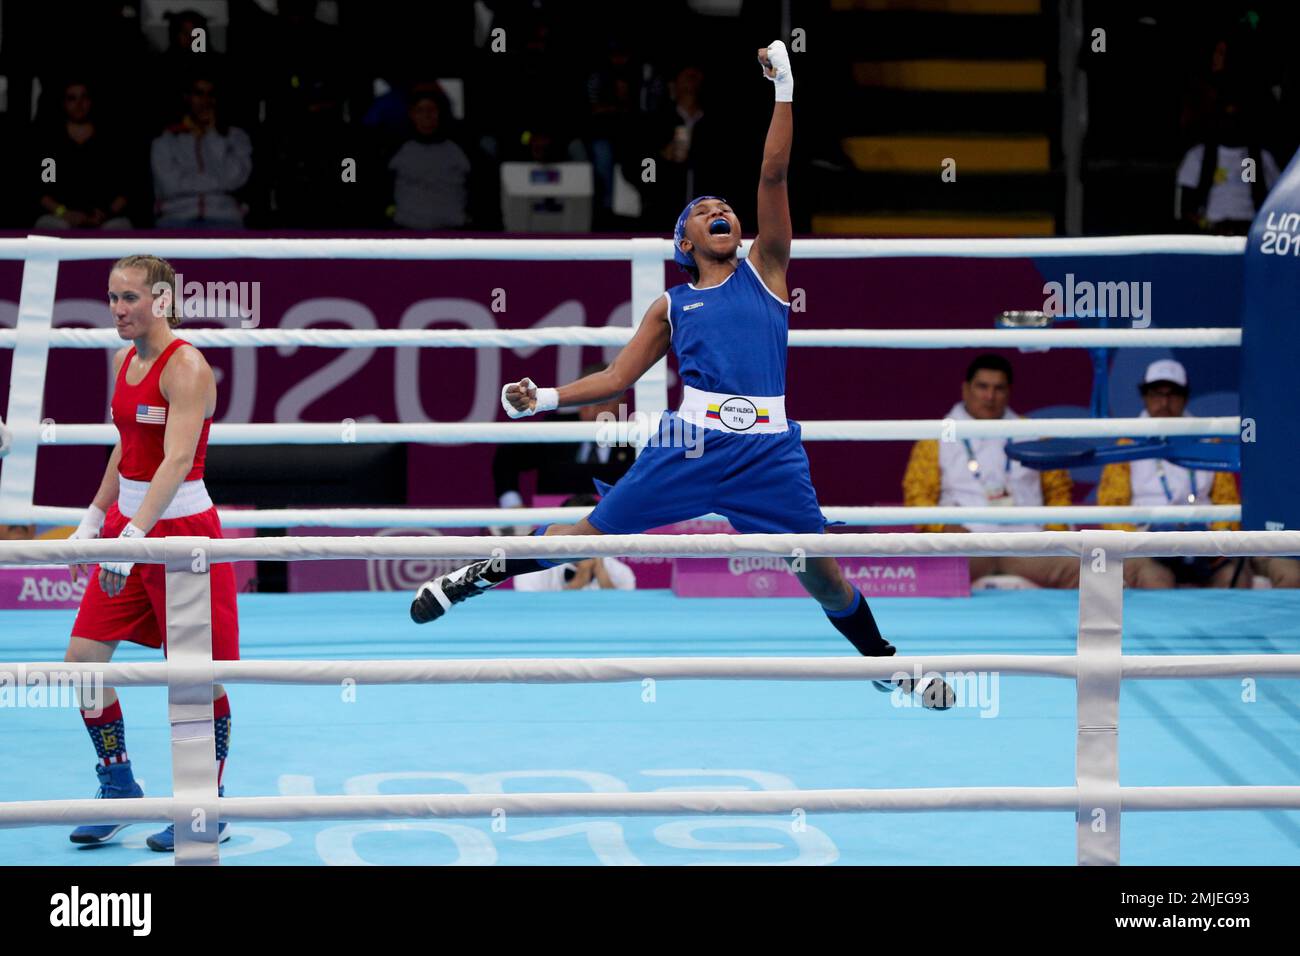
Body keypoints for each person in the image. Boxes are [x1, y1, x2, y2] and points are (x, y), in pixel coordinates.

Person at [410, 42, 954, 710]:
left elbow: (776, 176)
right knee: (585, 537)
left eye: (722, 205)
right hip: (689, 444)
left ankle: (885, 663)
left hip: (769, 452)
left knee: (825, 575)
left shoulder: (768, 271)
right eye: (701, 210)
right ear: (684, 243)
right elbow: (616, 377)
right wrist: (543, 397)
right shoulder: (672, 302)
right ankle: (477, 575)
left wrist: (784, 86)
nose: (717, 209)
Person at [63, 255, 240, 851]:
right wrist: (93, 521)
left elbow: (174, 459)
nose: (118, 309)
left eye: (131, 298)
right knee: (84, 661)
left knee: (192, 679)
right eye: (112, 297)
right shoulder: (122, 359)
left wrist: (132, 537)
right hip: (130, 522)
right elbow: (129, 449)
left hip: (181, 531)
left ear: (161, 300)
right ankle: (119, 787)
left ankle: (203, 806)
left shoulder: (186, 367)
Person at [903, 354, 1079, 589]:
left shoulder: (1035, 433)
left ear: (1009, 392)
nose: (990, 396)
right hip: (967, 543)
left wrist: (1051, 532)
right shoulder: (936, 436)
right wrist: (943, 527)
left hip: (1027, 544)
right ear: (966, 389)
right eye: (982, 387)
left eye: (999, 388)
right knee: (921, 577)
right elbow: (917, 496)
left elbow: (1059, 492)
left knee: (1088, 573)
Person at [1097, 359, 1246, 588]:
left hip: (1204, 545)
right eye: (1157, 394)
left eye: (1173, 394)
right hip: (1145, 546)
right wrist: (1141, 543)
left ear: (1185, 397)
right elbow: (1111, 507)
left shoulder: (1209, 439)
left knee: (1234, 577)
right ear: (1145, 397)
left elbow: (1227, 500)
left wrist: (1219, 539)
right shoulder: (1127, 444)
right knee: (1156, 580)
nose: (1164, 403)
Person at [151, 76, 253, 228]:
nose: (205, 100)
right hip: (175, 219)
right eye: (199, 93)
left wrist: (213, 134)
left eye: (211, 94)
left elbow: (235, 180)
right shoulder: (166, 138)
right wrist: (219, 183)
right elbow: (170, 186)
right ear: (187, 97)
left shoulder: (235, 137)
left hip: (226, 219)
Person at [513, 495, 637, 591]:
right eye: (576, 528)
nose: (585, 536)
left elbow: (623, 618)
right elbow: (531, 616)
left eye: (594, 529)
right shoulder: (529, 572)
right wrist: (578, 582)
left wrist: (602, 576)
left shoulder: (622, 573)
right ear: (558, 528)